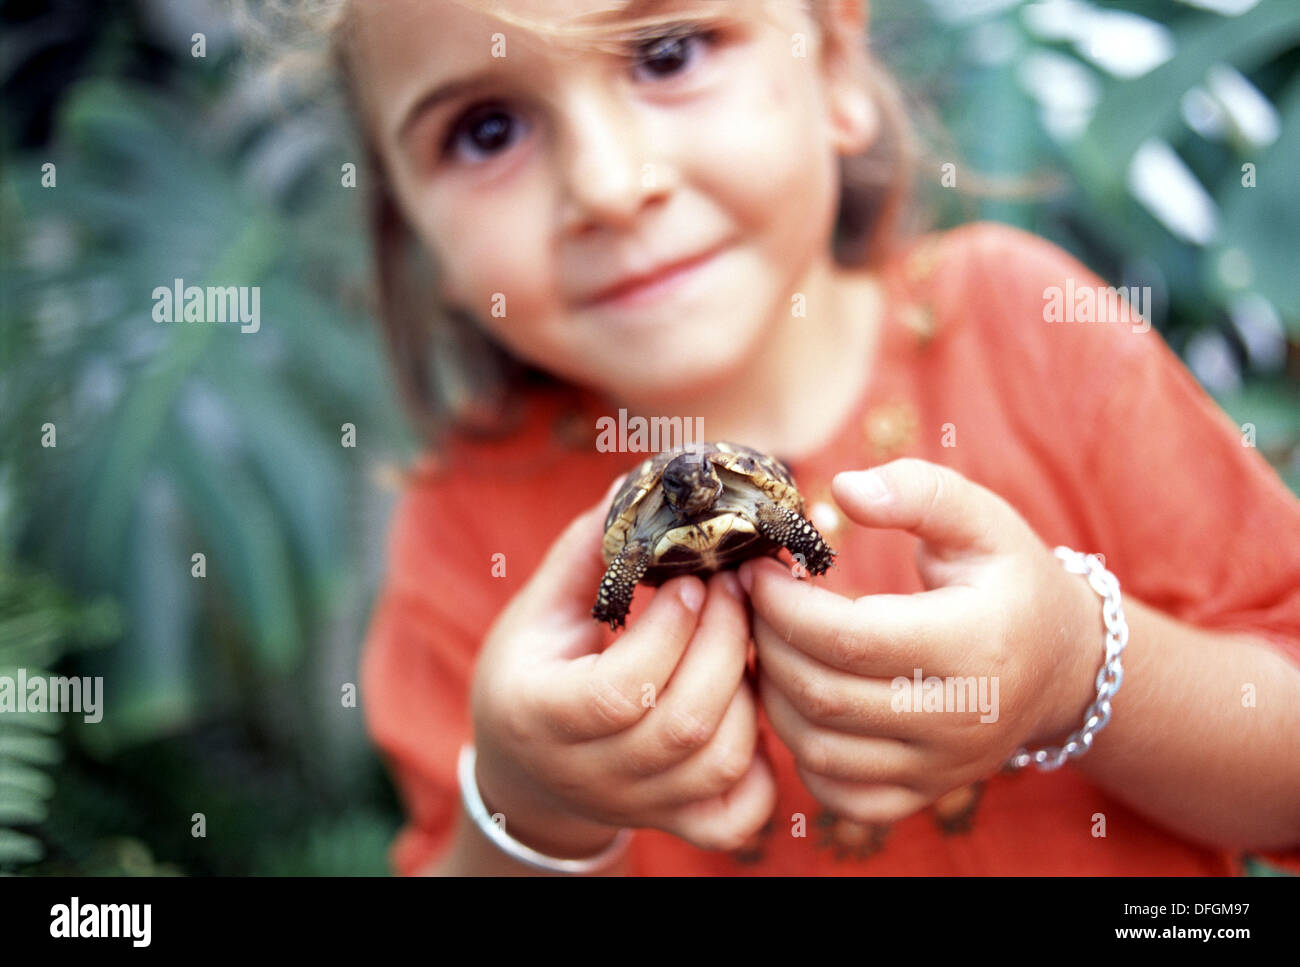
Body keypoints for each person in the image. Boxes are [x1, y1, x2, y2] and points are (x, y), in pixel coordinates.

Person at [301, 0, 1300, 874]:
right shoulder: (463, 534)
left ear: (832, 64)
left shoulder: (1025, 328)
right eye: (484, 130)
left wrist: (1075, 668)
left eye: (667, 52)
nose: (606, 184)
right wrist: (531, 804)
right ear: (410, 227)